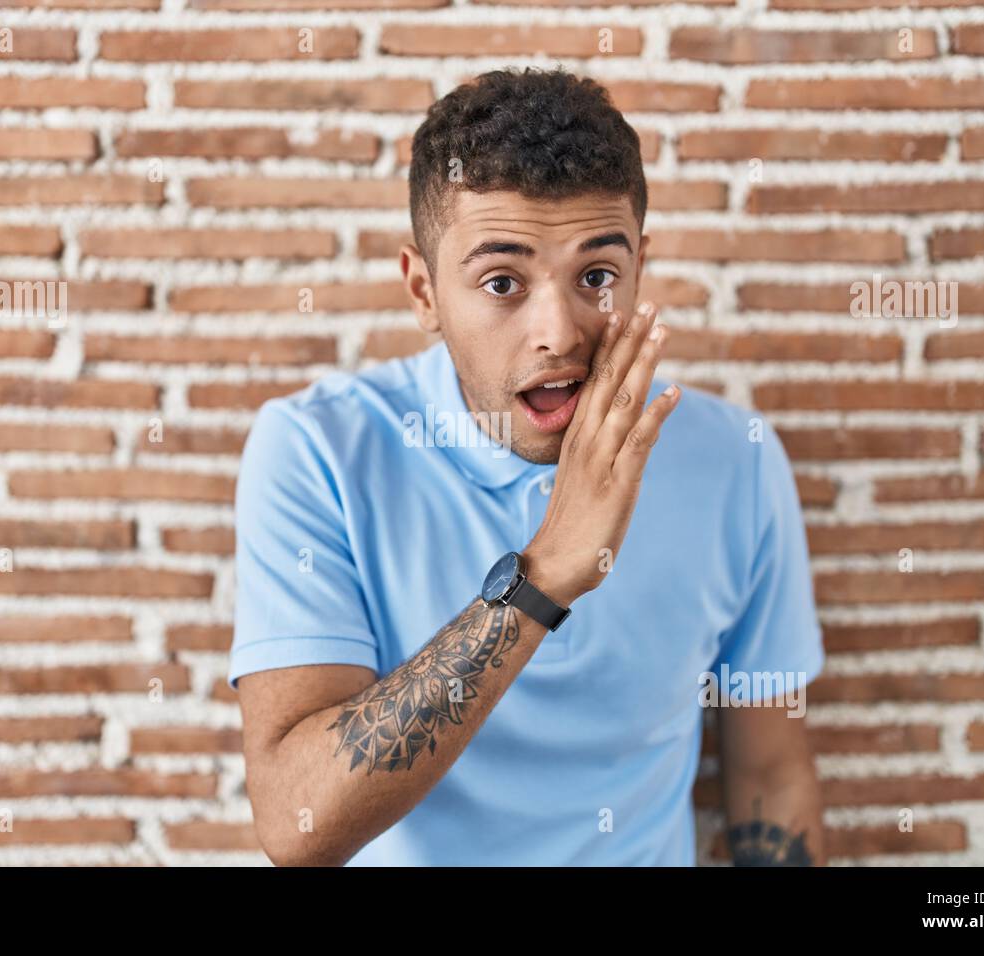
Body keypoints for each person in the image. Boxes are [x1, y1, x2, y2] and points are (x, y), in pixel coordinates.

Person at [229, 66, 826, 866]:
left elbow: (771, 779)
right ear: (425, 290)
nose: (559, 332)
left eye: (597, 277)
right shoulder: (315, 451)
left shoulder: (736, 463)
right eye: (503, 281)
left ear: (640, 268)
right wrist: (544, 575)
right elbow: (298, 826)